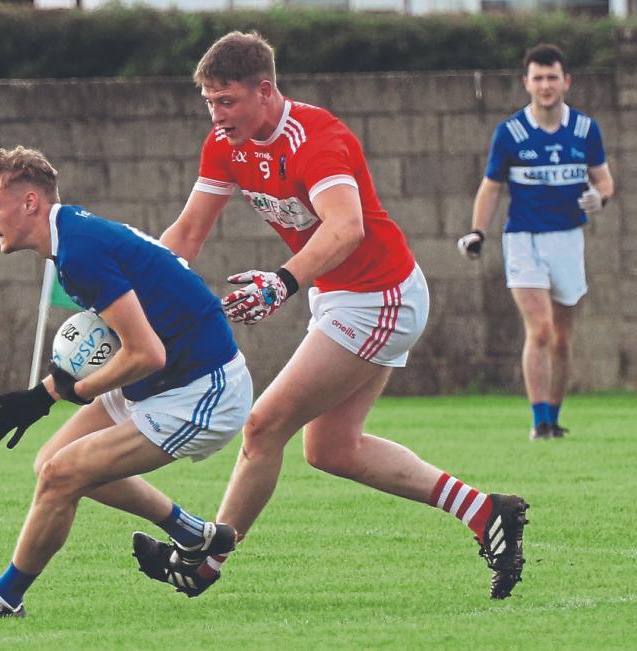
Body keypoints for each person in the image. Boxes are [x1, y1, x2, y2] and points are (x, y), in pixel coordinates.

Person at [131, 31, 529, 601]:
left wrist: (281, 281)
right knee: (331, 450)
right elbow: (190, 231)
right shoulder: (225, 142)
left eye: (227, 101)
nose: (216, 115)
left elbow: (347, 228)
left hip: (380, 295)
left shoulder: (316, 138)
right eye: (209, 103)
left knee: (263, 426)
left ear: (265, 90)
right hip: (343, 296)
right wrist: (142, 287)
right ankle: (486, 511)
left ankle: (203, 562)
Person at [0, 146, 252, 619]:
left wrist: (64, 391)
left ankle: (3, 599)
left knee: (64, 475)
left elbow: (146, 352)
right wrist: (49, 390)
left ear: (29, 203)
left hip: (201, 390)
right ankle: (194, 535)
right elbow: (120, 343)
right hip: (161, 381)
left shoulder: (79, 250)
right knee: (51, 465)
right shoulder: (73, 238)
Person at [458, 44, 614, 440]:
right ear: (527, 83)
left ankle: (554, 418)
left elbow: (604, 179)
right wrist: (478, 231)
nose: (546, 85)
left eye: (552, 77)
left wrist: (601, 197)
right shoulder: (510, 133)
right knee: (540, 330)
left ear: (566, 81)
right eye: (538, 78)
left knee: (561, 338)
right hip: (523, 240)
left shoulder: (584, 129)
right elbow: (490, 188)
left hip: (568, 239)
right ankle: (538, 420)